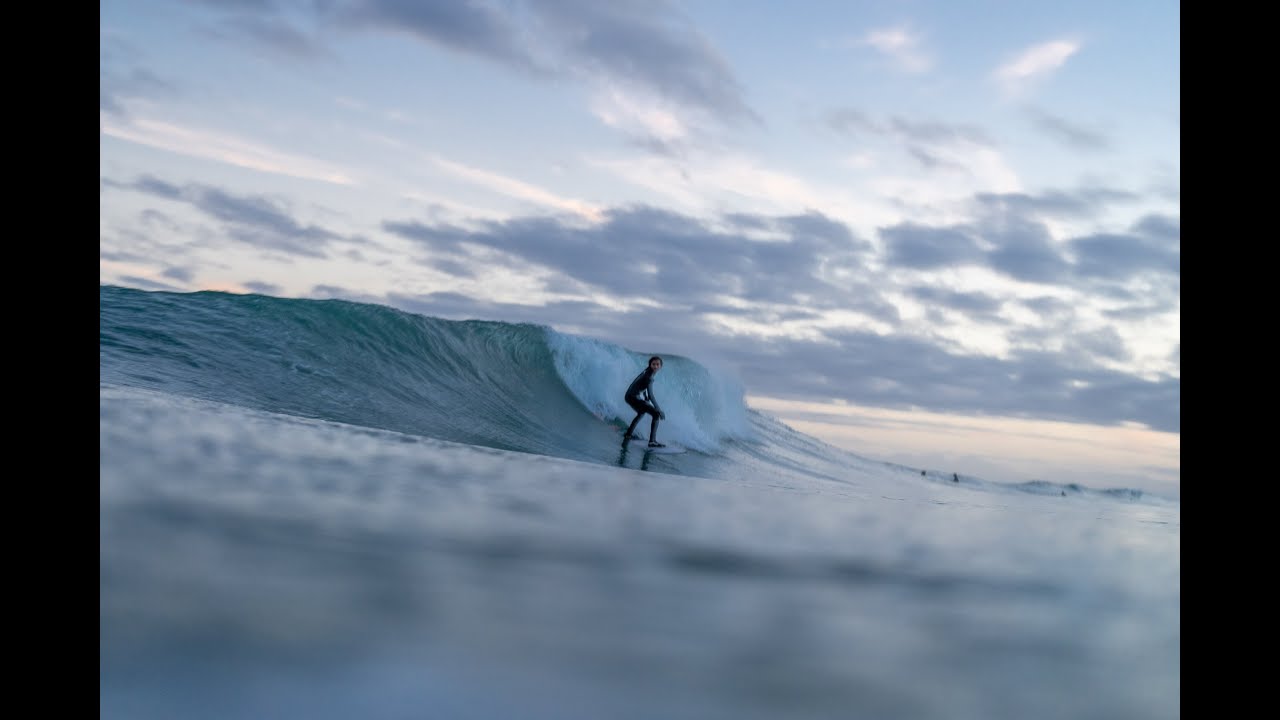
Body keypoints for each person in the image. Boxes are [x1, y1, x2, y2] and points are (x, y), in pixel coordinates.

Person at [624, 356, 666, 448]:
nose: (655, 366)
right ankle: (652, 441)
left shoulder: (647, 372)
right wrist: (658, 410)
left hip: (629, 396)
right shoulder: (649, 377)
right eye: (653, 364)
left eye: (657, 364)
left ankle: (628, 434)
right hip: (633, 397)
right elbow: (651, 395)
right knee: (656, 414)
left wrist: (645, 397)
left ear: (660, 366)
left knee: (641, 412)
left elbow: (643, 386)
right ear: (650, 365)